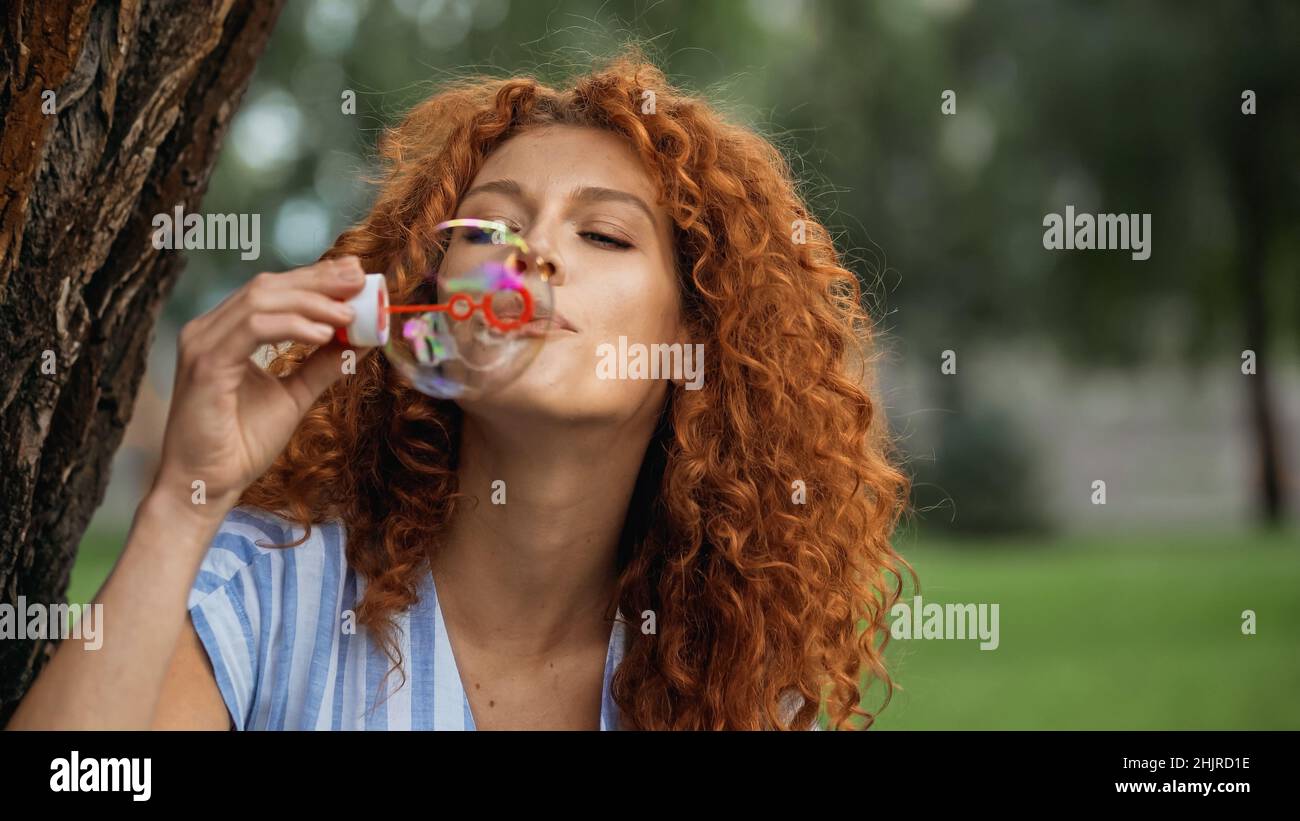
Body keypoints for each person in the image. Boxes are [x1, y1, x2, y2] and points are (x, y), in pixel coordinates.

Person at [8, 50, 909, 731]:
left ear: (693, 336)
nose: (532, 256)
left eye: (602, 235)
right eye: (490, 228)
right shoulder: (268, 590)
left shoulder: (720, 666)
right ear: (439, 306)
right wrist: (181, 501)